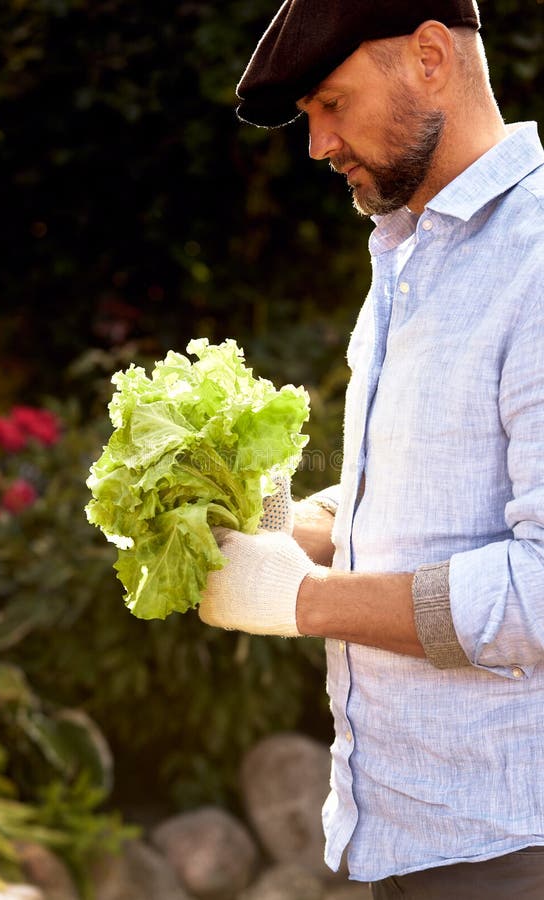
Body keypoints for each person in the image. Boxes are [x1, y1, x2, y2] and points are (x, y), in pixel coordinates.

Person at [198, 0, 544, 897]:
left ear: (430, 57)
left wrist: (300, 600)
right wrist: (282, 524)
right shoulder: (407, 247)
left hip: (509, 846)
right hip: (389, 831)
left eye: (330, 105)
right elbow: (432, 490)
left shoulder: (537, 256)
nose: (317, 145)